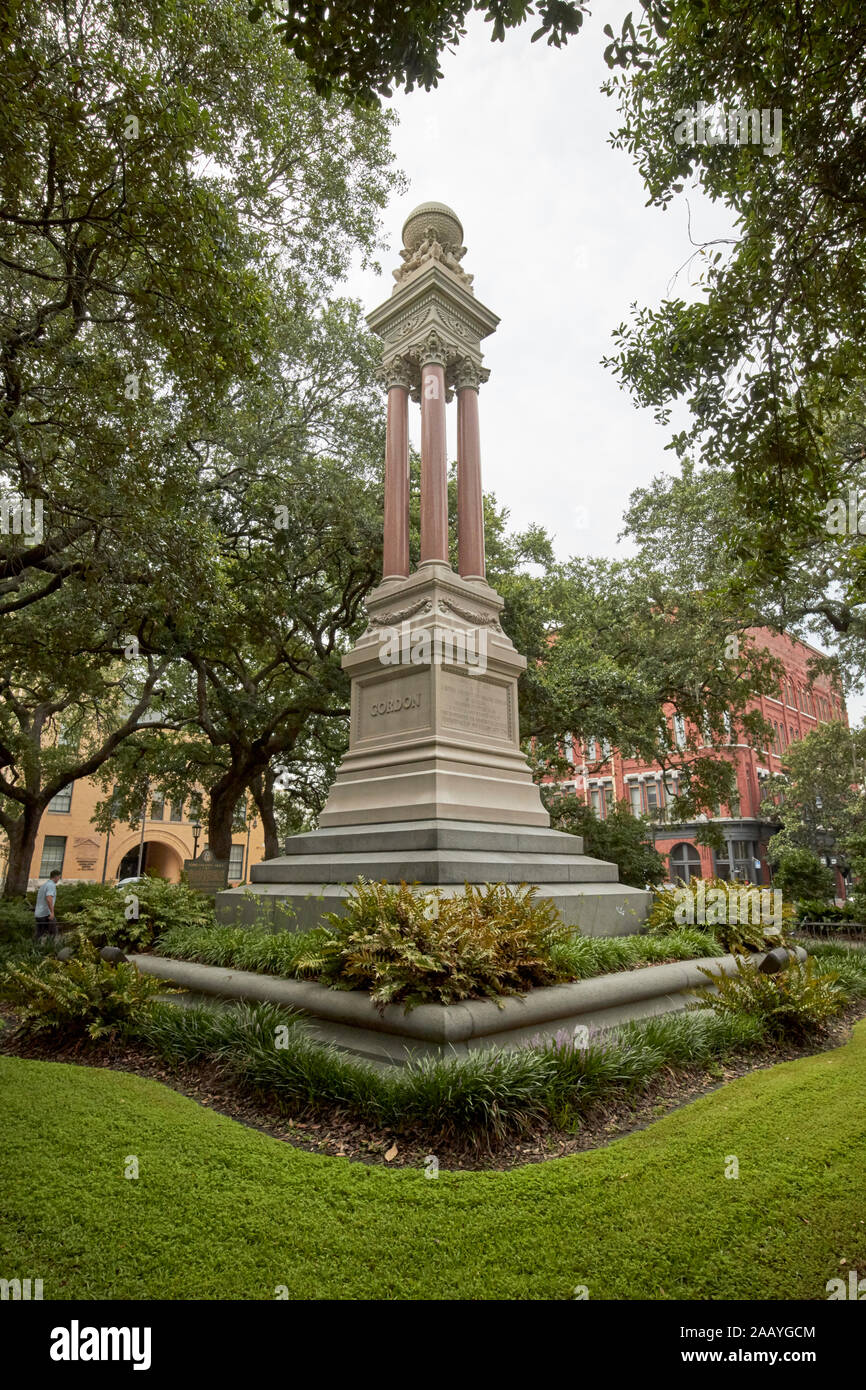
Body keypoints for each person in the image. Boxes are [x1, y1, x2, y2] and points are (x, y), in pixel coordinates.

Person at [34, 868, 61, 939]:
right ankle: (50, 948)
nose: (59, 879)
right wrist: (52, 912)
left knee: (39, 934)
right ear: (56, 877)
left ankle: (34, 948)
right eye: (59, 877)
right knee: (53, 934)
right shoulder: (51, 885)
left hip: (39, 914)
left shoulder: (44, 885)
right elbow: (49, 898)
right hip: (46, 914)